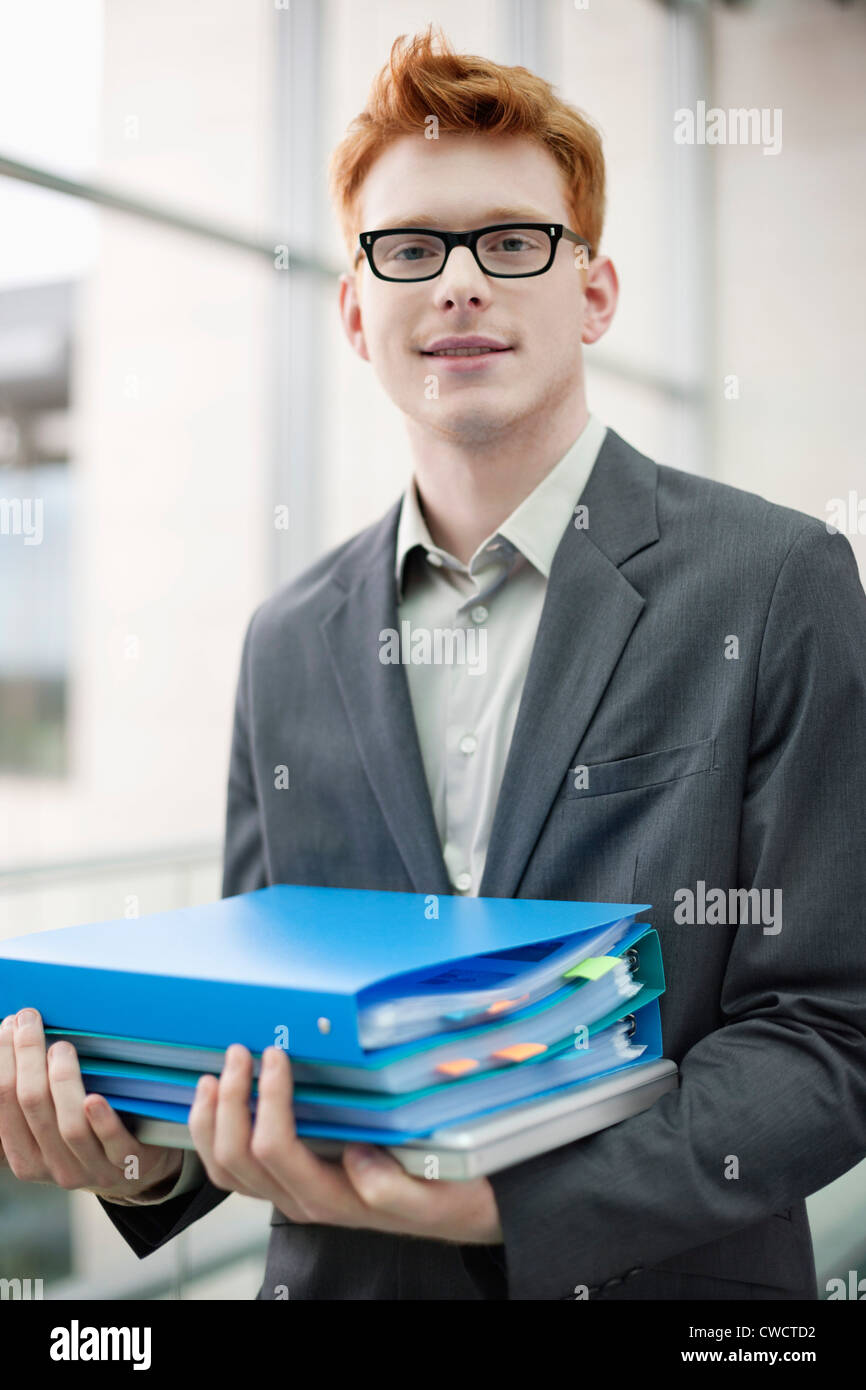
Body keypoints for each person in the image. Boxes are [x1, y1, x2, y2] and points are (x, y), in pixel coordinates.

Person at [2, 27, 865, 1302]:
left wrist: (513, 1202)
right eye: (409, 249)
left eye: (511, 241)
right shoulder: (287, 636)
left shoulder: (775, 580)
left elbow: (829, 1032)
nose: (458, 284)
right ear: (356, 310)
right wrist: (140, 1165)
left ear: (594, 291)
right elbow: (255, 1024)